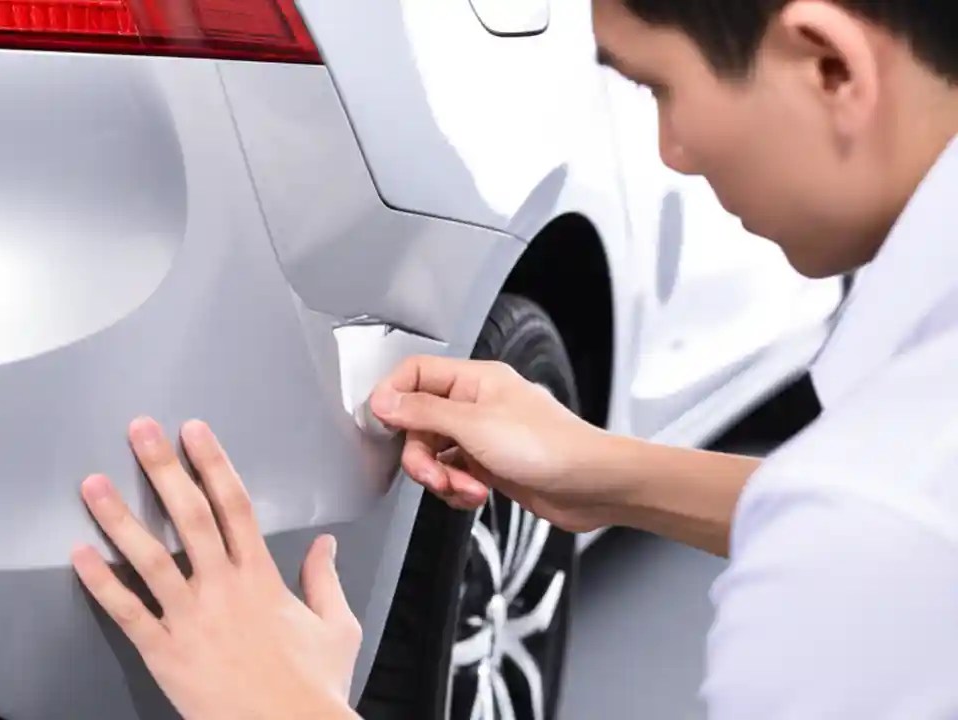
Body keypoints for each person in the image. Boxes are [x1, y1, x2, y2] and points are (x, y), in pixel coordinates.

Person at [69, 0, 958, 718]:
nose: (671, 152)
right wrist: (605, 472)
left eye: (658, 87)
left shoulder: (859, 544)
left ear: (830, 65)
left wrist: (279, 707)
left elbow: (883, 529)